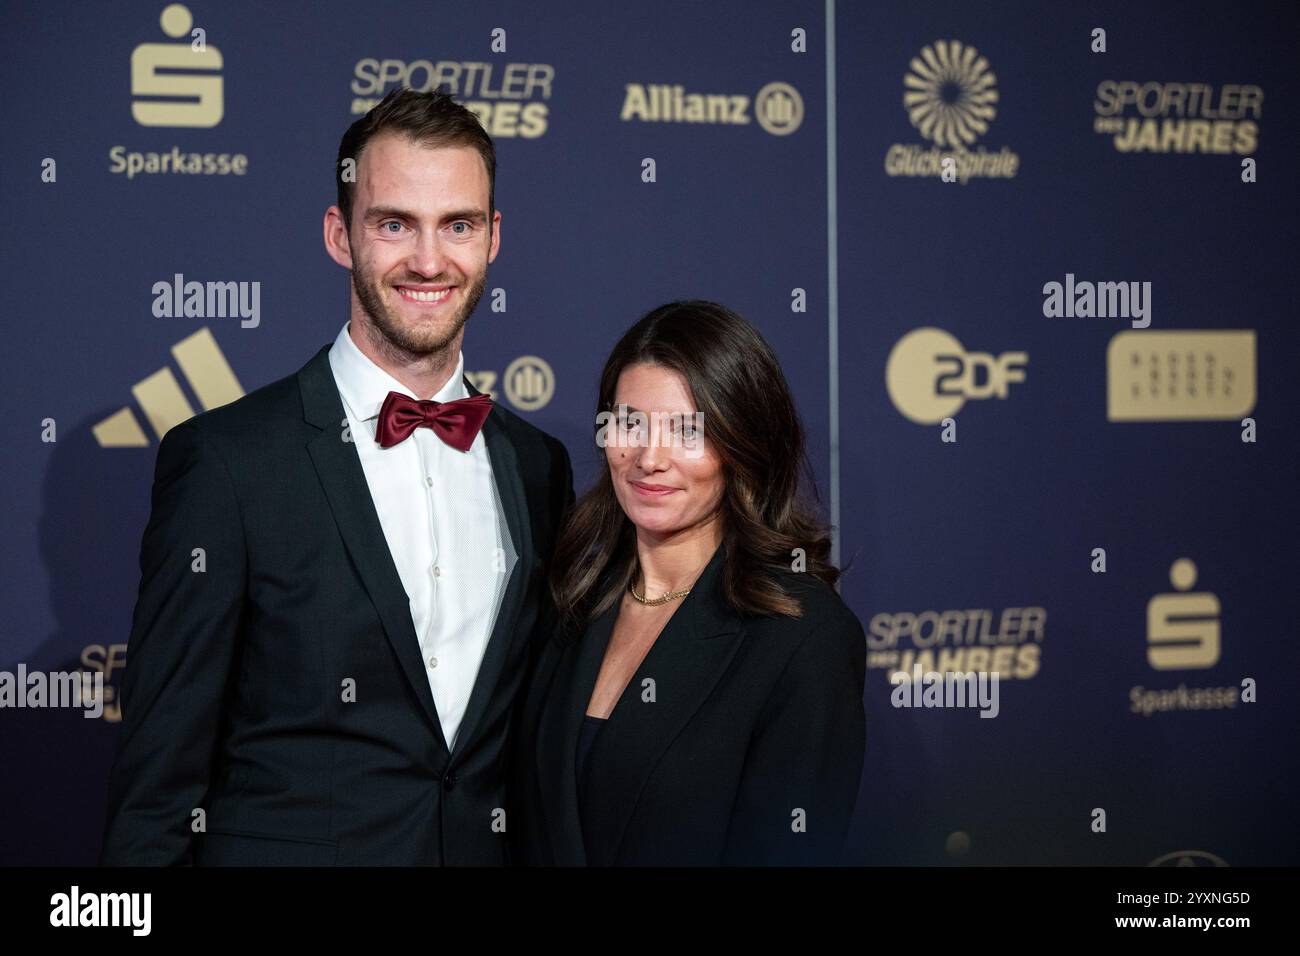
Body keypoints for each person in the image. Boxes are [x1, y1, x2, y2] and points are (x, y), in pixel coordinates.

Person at [100, 88, 573, 866]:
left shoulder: (536, 467)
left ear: (493, 239)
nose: (429, 260)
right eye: (394, 224)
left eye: (457, 224)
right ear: (339, 235)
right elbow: (158, 784)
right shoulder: (227, 462)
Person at [511, 301, 865, 866]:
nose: (650, 458)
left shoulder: (803, 637)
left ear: (741, 445)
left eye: (687, 431)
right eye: (629, 423)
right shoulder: (572, 596)